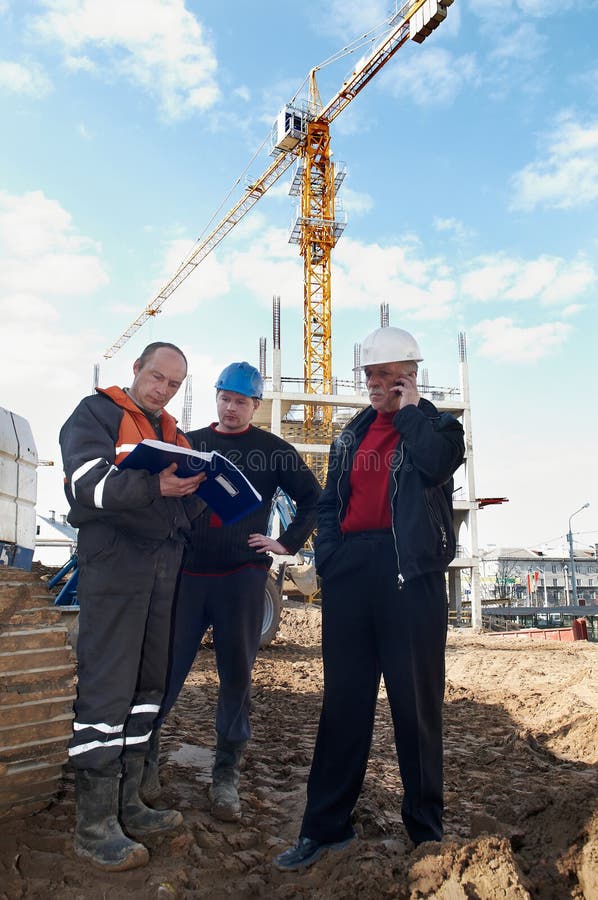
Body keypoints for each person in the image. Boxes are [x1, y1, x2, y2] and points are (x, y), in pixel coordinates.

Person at [274, 326, 465, 871]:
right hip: (352, 574)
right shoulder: (350, 434)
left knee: (416, 709)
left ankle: (427, 833)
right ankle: (325, 828)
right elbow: (332, 502)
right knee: (343, 708)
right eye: (371, 376)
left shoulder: (439, 427)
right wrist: (331, 560)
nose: (376, 385)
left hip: (411, 577)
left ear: (411, 374)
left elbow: (433, 464)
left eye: (388, 376)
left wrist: (408, 410)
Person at [145, 361, 321, 822]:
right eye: (225, 397)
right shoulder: (190, 443)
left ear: (255, 406)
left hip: (241, 579)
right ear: (216, 396)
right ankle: (145, 766)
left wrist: (285, 543)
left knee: (236, 679)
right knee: (164, 673)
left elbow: (314, 497)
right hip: (188, 574)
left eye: (241, 401)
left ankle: (225, 775)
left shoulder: (273, 451)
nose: (231, 407)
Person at [59, 341, 207, 872]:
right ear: (137, 370)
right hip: (115, 563)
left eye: (173, 384)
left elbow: (181, 502)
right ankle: (94, 826)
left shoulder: (175, 435)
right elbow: (84, 486)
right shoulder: (95, 413)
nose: (162, 389)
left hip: (163, 568)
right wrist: (154, 485)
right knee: (107, 689)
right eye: (157, 377)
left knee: (148, 689)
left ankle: (130, 802)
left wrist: (196, 488)